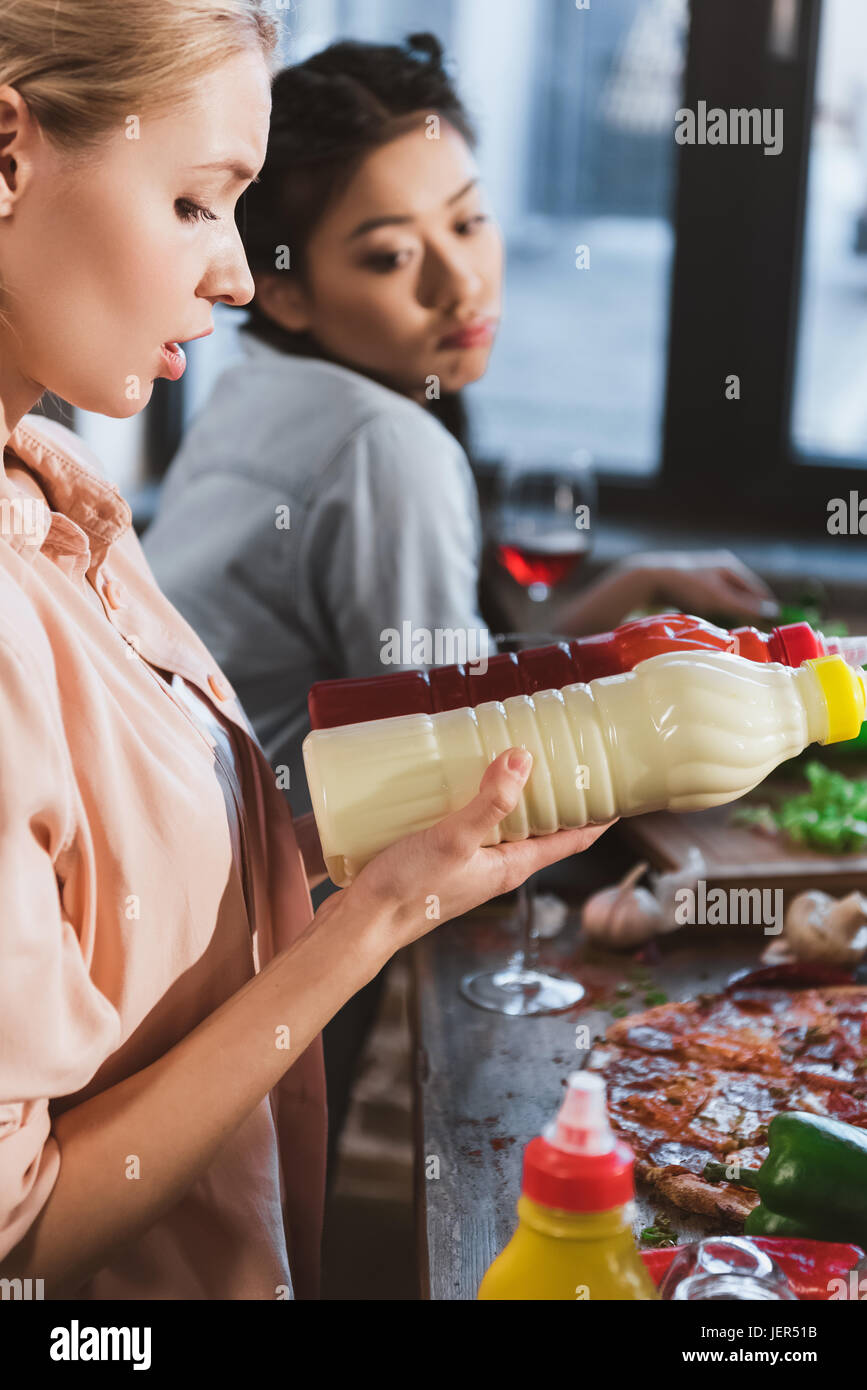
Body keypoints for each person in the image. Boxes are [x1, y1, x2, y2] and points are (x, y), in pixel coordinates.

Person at [0, 0, 613, 1301]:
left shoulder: (56, 486)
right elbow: (21, 1235)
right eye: (194, 202)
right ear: (7, 156)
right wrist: (383, 913)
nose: (230, 274)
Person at [141, 32, 776, 1177]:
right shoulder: (386, 442)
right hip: (276, 929)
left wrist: (610, 604)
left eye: (470, 223)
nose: (460, 282)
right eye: (389, 257)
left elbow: (428, 665)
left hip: (195, 903)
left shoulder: (263, 390)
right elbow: (476, 758)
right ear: (278, 284)